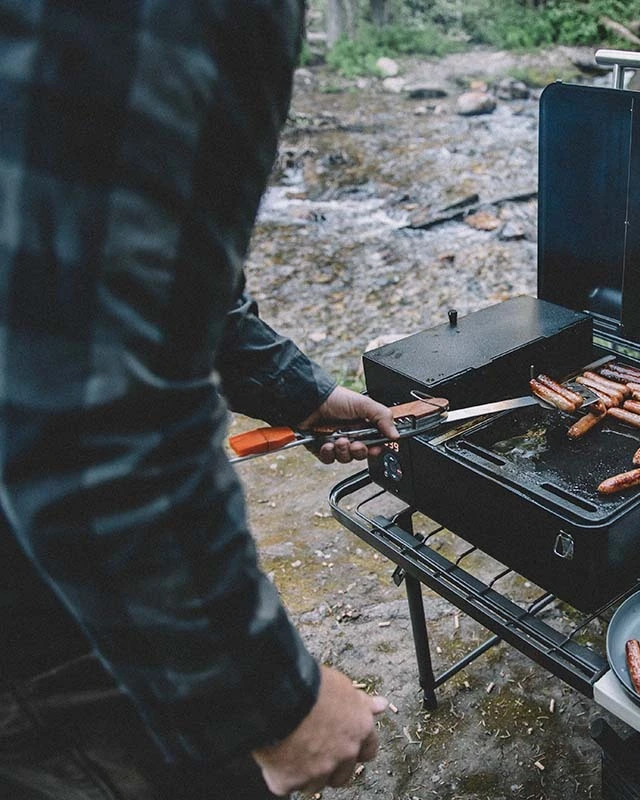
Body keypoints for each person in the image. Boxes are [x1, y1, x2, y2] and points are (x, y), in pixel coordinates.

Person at [0, 1, 400, 797]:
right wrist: (277, 703)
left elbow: (115, 266)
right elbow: (93, 413)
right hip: (39, 619)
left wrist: (302, 393)